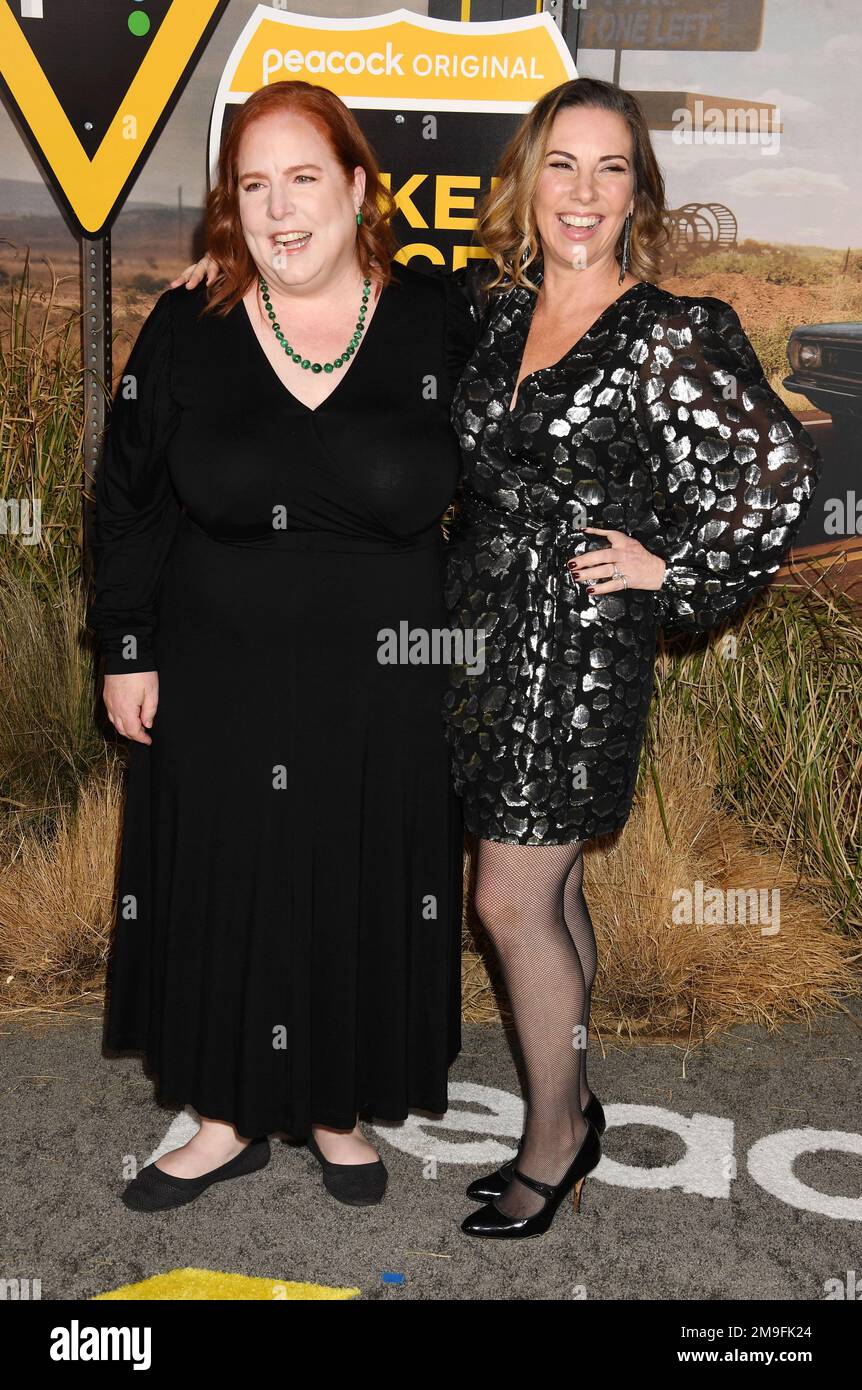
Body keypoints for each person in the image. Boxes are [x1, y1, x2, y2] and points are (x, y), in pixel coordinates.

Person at [176, 77, 822, 1240]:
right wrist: (221, 279)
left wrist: (668, 569)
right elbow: (345, 293)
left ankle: (553, 1143)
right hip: (471, 636)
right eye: (562, 166)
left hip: (572, 655)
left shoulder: (665, 329)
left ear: (638, 193)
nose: (583, 192)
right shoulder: (486, 306)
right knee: (556, 887)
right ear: (528, 183)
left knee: (508, 898)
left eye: (610, 168)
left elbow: (775, 475)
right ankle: (572, 1096)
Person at [88, 80, 476, 1212]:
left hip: (386, 681)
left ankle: (332, 1106)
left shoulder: (439, 321)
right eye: (252, 185)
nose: (278, 207)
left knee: (356, 879)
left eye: (303, 176)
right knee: (226, 884)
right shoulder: (186, 324)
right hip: (215, 672)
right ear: (231, 208)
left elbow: (530, 446)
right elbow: (129, 501)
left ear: (358, 186)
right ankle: (222, 1118)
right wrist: (125, 646)